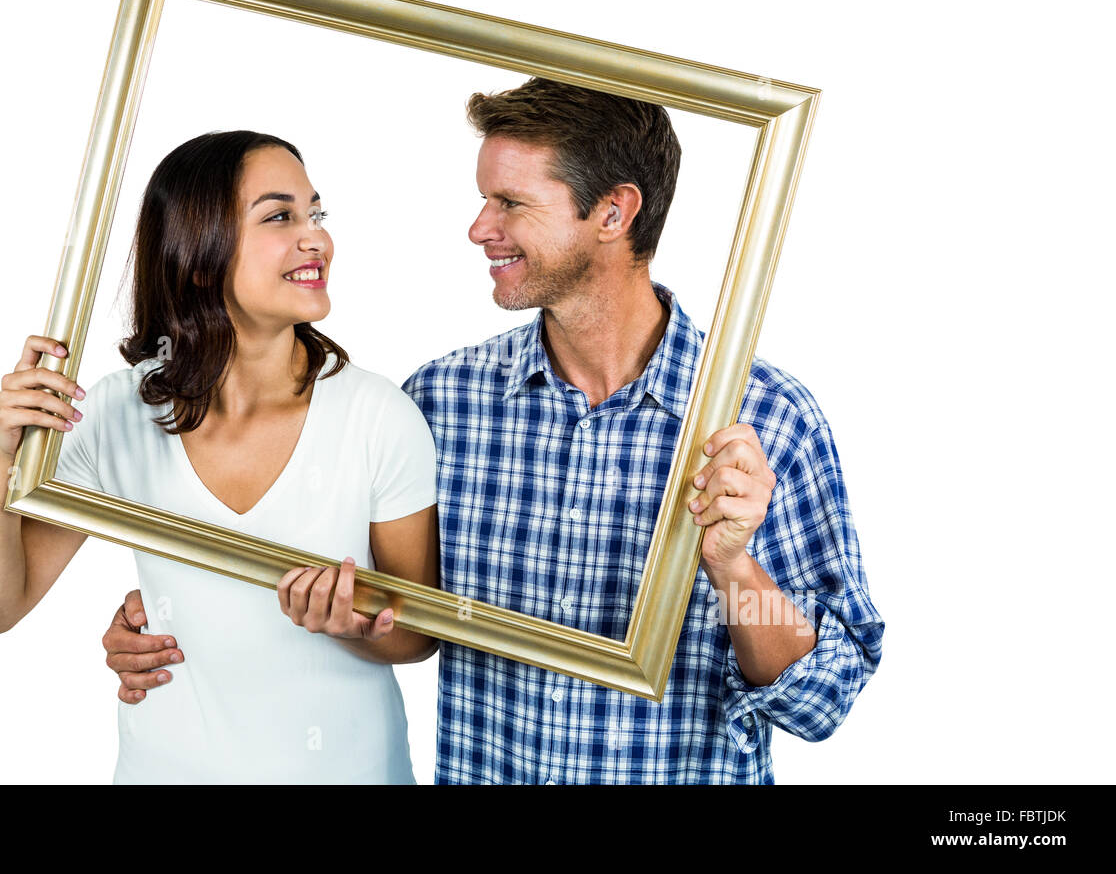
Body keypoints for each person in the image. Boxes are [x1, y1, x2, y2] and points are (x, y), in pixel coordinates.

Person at [105, 79, 886, 784]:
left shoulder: (765, 419)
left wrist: (734, 569)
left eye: (510, 203)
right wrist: (169, 618)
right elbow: (364, 594)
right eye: (485, 200)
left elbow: (824, 701)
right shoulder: (442, 403)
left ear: (613, 213)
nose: (480, 228)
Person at [0, 131, 440, 784]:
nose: (317, 239)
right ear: (199, 256)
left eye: (316, 213)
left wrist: (352, 624)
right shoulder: (116, 413)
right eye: (280, 216)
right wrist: (3, 457)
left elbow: (420, 633)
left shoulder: (380, 417)